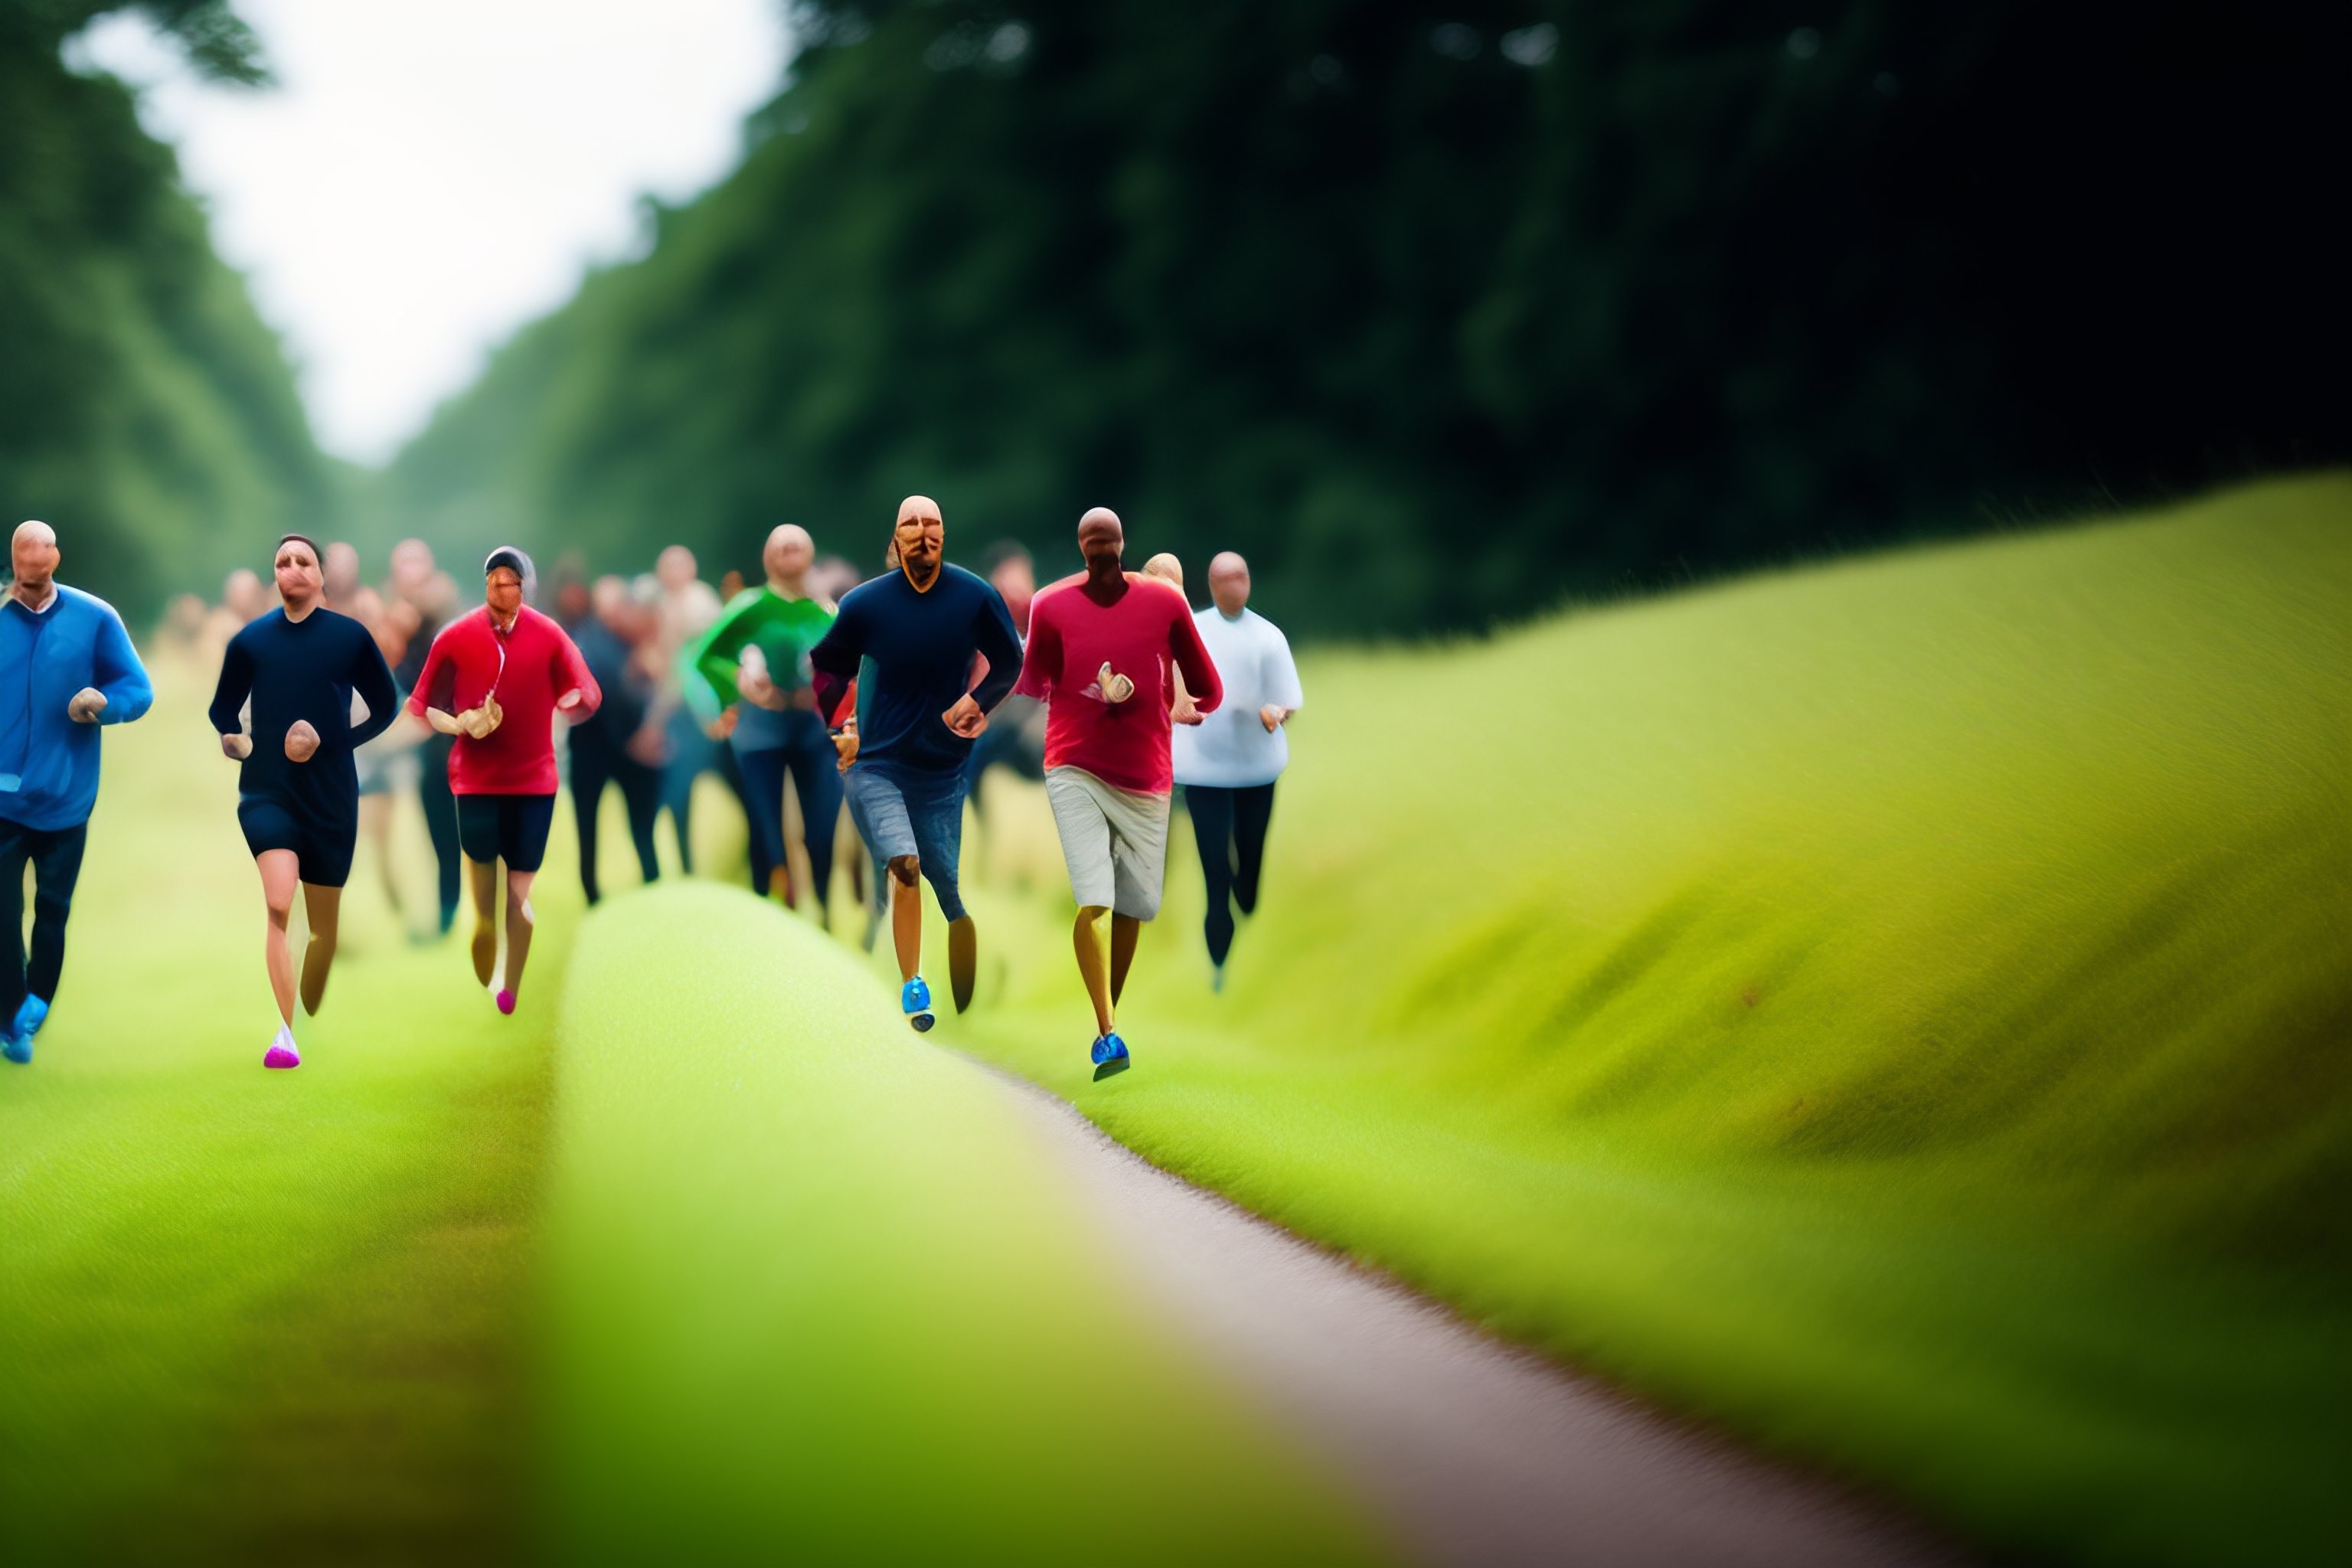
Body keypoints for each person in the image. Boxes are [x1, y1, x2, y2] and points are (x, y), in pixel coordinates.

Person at [1016, 508, 1220, 1080]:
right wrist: (1091, 685)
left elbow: (1206, 687)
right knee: (1096, 896)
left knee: (1137, 907)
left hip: (1147, 776)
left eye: (1109, 541)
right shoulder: (1052, 604)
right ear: (1081, 548)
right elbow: (1034, 681)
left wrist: (1174, 701)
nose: (1101, 551)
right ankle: (1107, 1033)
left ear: (1123, 546)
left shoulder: (1163, 607)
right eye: (1091, 542)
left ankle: (1109, 1010)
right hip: (1074, 766)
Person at [809, 495, 1021, 1030]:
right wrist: (841, 730)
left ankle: (961, 927)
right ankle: (913, 986)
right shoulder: (864, 604)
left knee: (944, 881)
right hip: (875, 766)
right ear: (896, 537)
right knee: (903, 864)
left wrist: (979, 702)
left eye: (932, 523)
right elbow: (826, 669)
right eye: (911, 523)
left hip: (942, 767)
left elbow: (1011, 660)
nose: (923, 532)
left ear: (944, 535)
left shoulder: (974, 596)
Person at [208, 534, 400, 1069]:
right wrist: (233, 738)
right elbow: (223, 710)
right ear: (275, 575)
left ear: (321, 576)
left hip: (331, 795)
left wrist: (331, 741)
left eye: (303, 561)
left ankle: (312, 985)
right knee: (277, 901)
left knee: (322, 929)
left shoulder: (350, 638)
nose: (291, 568)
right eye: (282, 562)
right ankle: (285, 1033)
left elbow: (385, 706)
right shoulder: (249, 642)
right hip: (265, 790)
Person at [406, 547, 600, 1015]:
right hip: (475, 781)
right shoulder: (455, 635)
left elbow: (589, 692)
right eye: (495, 578)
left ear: (526, 587)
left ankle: (509, 986)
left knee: (519, 896)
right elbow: (422, 705)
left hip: (534, 782)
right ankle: (484, 937)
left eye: (512, 579)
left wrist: (567, 704)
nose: (502, 587)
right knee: (486, 902)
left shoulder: (549, 635)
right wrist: (463, 723)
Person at [2, 521, 154, 1065]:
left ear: (56, 562)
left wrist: (101, 702)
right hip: (2, 801)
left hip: (66, 798)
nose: (30, 585)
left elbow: (138, 690)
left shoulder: (95, 618)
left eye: (40, 575)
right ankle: (11, 1014)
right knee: (1, 910)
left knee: (53, 909)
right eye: (22, 574)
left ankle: (37, 998)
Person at [686, 524, 844, 920]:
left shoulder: (824, 610)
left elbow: (851, 664)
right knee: (765, 827)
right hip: (761, 729)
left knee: (822, 825)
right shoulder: (749, 606)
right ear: (767, 557)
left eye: (797, 546)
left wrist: (828, 691)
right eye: (782, 546)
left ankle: (822, 903)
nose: (790, 551)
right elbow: (706, 656)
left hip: (812, 728)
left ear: (809, 554)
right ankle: (768, 905)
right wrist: (737, 684)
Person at [1171, 551, 1302, 990]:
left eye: (1240, 577)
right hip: (1204, 770)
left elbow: (1288, 699)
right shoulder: (1193, 631)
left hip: (1256, 770)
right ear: (1211, 585)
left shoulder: (1268, 637)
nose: (1233, 586)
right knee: (1214, 871)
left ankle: (1245, 898)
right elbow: (1172, 685)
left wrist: (1275, 712)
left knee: (1249, 866)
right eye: (1224, 579)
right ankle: (1218, 964)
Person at [567, 577, 664, 904]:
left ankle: (652, 878)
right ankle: (590, 890)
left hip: (628, 750)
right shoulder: (587, 641)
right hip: (594, 749)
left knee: (642, 823)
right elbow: (599, 698)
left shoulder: (634, 643)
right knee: (588, 823)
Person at [387, 540, 465, 935]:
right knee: (438, 833)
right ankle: (448, 914)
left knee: (472, 829)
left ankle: (488, 910)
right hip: (426, 743)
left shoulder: (444, 611)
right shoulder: (396, 622)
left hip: (459, 739)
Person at [648, 544, 725, 874]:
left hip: (703, 711)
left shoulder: (701, 602)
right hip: (678, 712)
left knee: (691, 788)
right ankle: (686, 865)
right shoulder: (664, 606)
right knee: (678, 796)